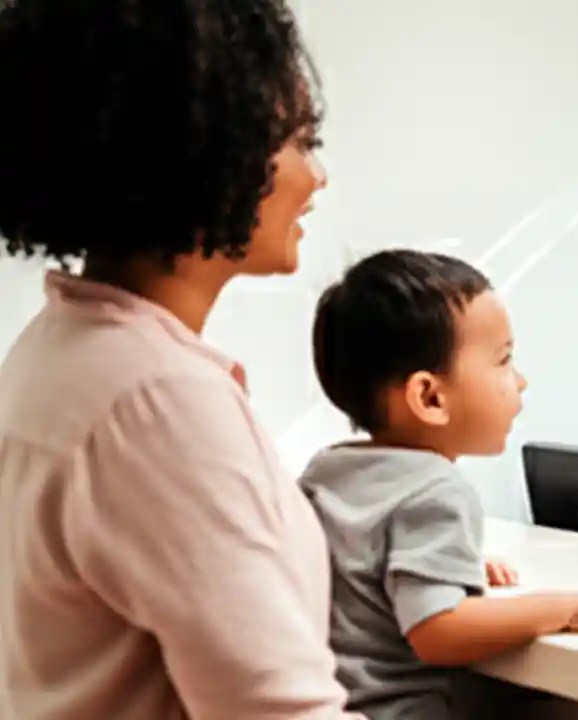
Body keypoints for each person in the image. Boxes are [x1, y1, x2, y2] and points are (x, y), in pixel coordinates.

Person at [0, 1, 360, 718]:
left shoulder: (59, 353)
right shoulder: (153, 401)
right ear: (205, 148)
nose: (316, 177)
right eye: (299, 141)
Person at [301, 249, 578, 719]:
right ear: (430, 396)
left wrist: (442, 568)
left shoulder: (328, 470)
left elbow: (355, 576)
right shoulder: (435, 488)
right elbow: (439, 630)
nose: (519, 381)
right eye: (503, 360)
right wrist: (566, 608)